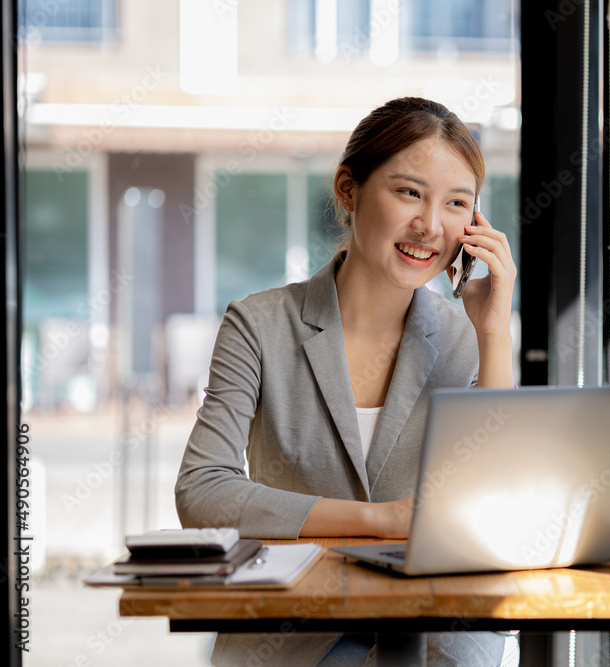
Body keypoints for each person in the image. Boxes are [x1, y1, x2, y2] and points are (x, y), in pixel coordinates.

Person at [174, 97, 518, 666]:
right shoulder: (259, 324)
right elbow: (202, 491)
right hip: (295, 633)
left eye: (456, 203)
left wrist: (495, 334)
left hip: (436, 634)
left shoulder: (467, 339)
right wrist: (377, 522)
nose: (430, 225)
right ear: (348, 190)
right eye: (409, 192)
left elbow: (494, 508)